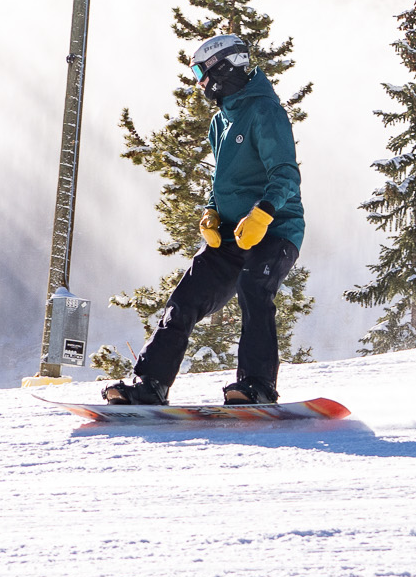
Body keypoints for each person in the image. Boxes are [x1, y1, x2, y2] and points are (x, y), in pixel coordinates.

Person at [104, 32, 304, 406]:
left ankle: (257, 385)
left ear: (225, 68)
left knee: (253, 289)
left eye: (202, 72)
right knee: (184, 300)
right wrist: (211, 212)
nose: (200, 83)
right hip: (231, 235)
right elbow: (221, 180)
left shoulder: (265, 111)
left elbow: (286, 174)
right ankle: (150, 384)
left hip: (275, 231)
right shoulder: (220, 122)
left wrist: (263, 214)